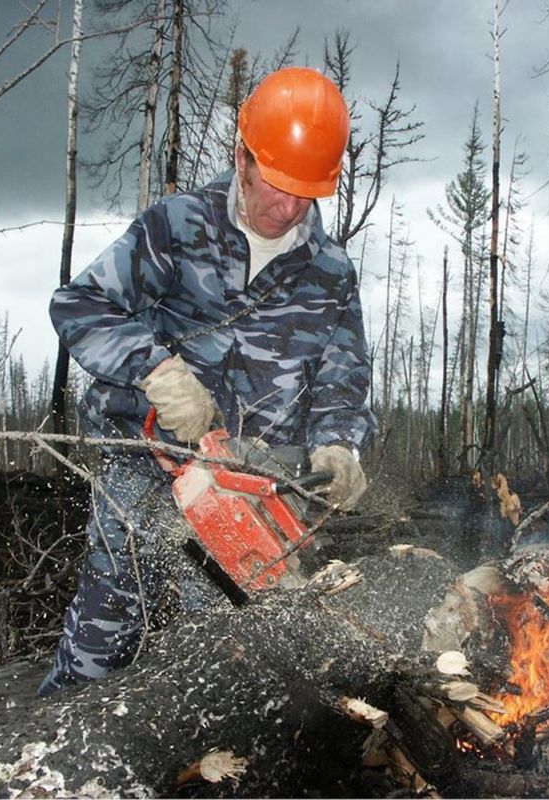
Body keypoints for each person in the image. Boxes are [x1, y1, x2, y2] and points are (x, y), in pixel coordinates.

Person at [39, 67, 376, 697]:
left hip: (247, 484)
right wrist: (156, 370)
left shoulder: (330, 273)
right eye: (275, 185)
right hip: (147, 468)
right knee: (106, 629)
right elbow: (80, 304)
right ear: (242, 156)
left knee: (232, 658)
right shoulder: (178, 225)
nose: (287, 208)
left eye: (304, 193)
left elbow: (344, 372)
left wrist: (338, 443)